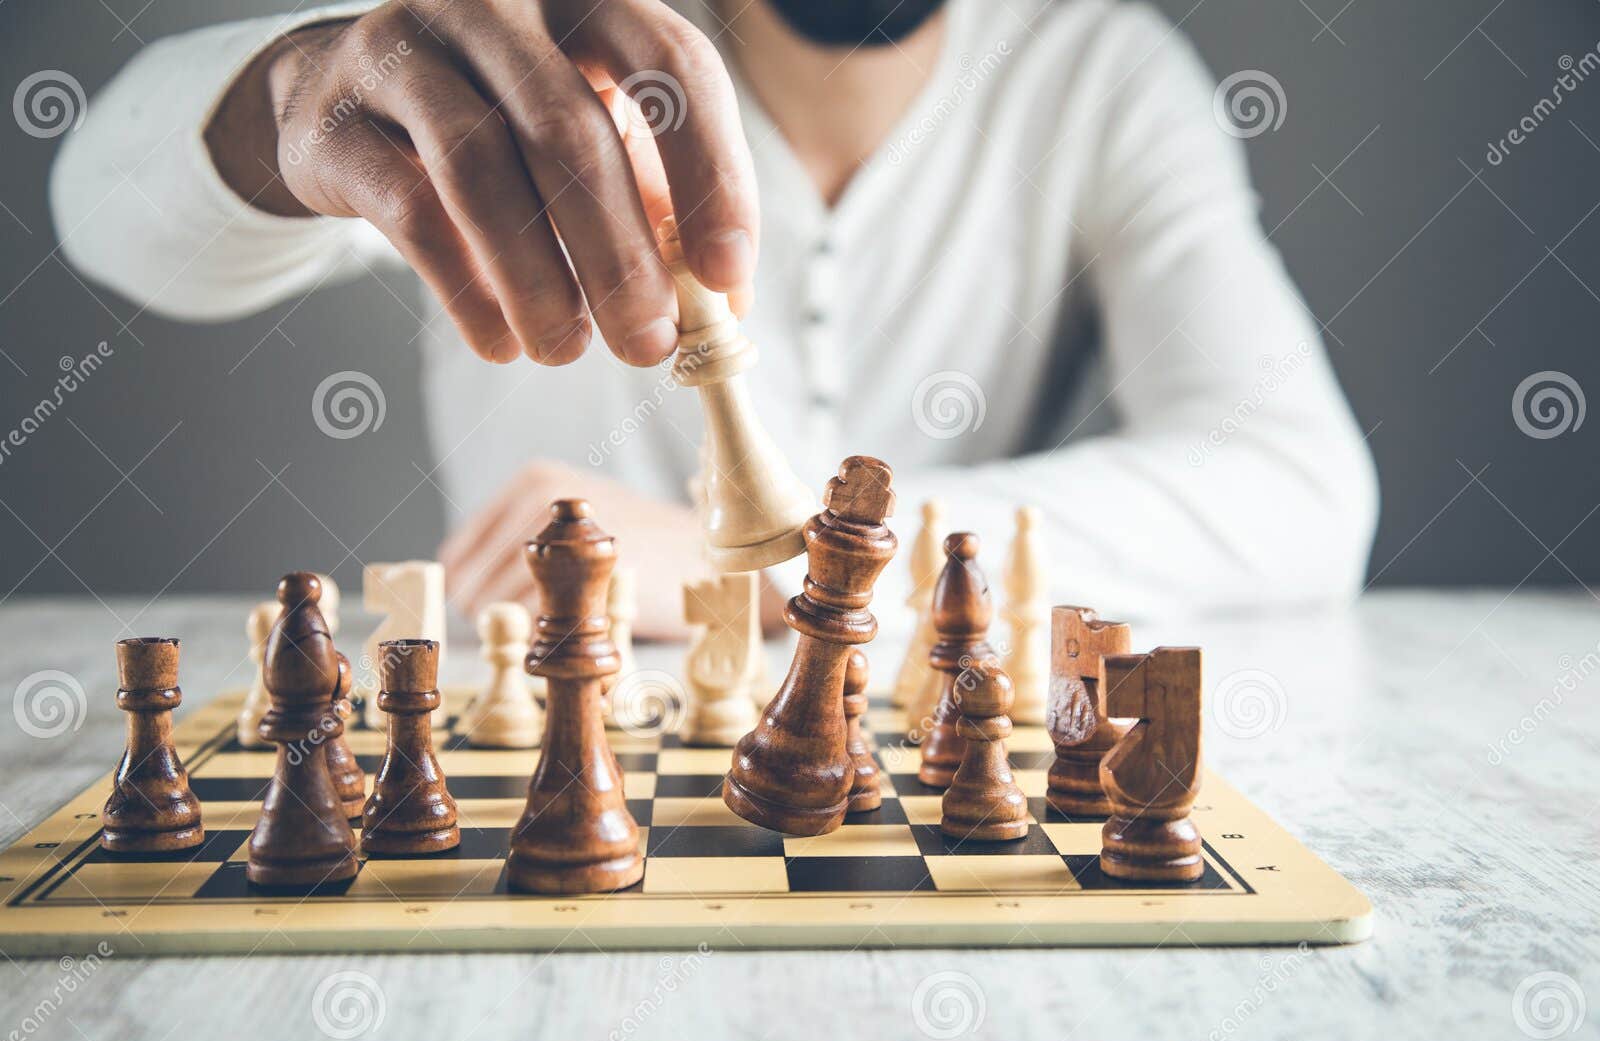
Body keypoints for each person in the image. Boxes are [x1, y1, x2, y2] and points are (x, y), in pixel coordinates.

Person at [51, 0, 1379, 638]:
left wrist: (752, 559)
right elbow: (102, 208)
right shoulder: (541, 47)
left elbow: (1295, 485)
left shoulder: (1098, 71)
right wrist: (292, 98)